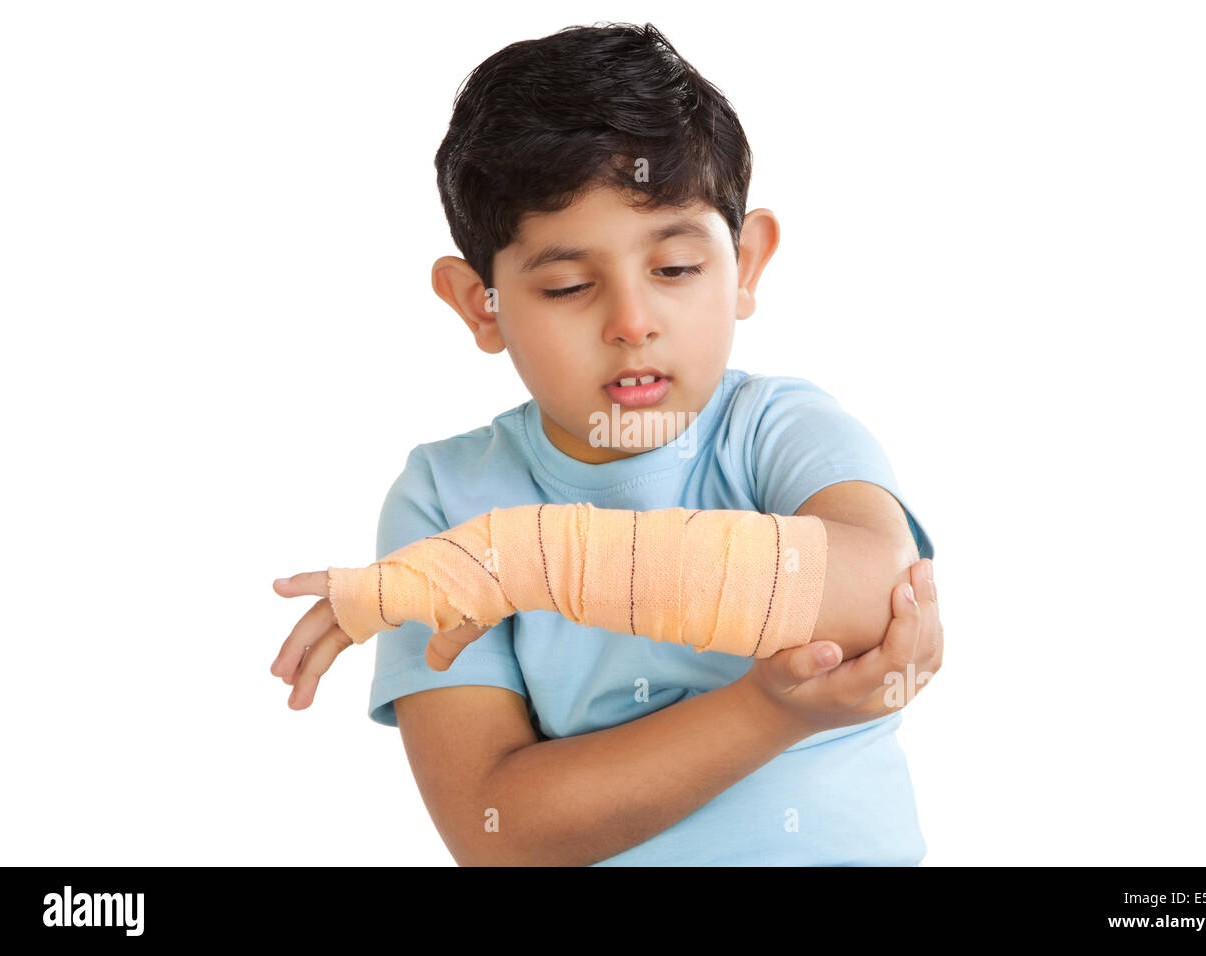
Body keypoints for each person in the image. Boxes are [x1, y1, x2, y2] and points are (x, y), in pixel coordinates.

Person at [270, 22, 944, 866]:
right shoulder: (441, 499)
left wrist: (514, 562)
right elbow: (498, 829)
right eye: (568, 286)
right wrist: (773, 710)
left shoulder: (781, 429)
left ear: (747, 264)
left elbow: (883, 594)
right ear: (479, 303)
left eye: (674, 271)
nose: (631, 323)